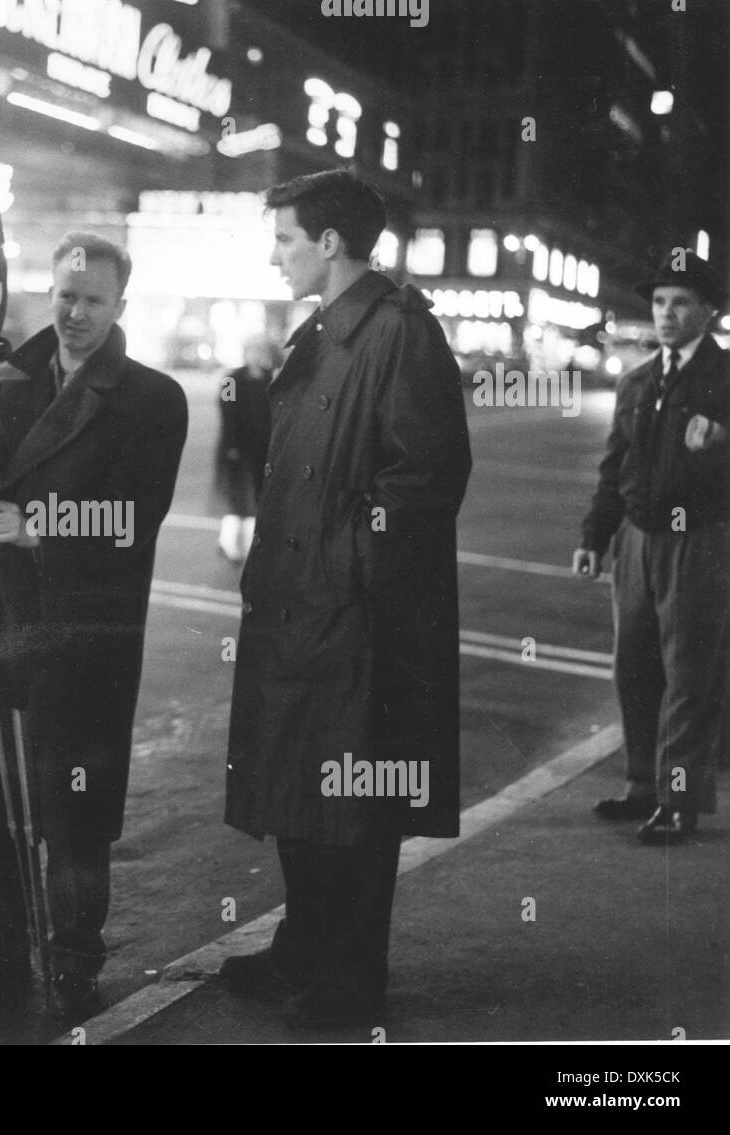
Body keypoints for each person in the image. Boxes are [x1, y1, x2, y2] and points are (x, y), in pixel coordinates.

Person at [218, 170, 472, 1026]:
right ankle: (304, 950)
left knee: (355, 804)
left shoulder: (399, 332)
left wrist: (349, 562)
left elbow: (427, 474)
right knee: (301, 791)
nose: (275, 253)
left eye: (286, 237)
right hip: (298, 607)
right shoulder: (322, 329)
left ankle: (349, 980)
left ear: (330, 243)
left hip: (354, 618)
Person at [0, 231, 188, 1018]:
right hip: (5, 615)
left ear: (120, 305)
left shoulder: (151, 397)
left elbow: (138, 516)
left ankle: (74, 954)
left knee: (71, 811)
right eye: (65, 296)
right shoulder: (7, 381)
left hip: (86, 633)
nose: (74, 314)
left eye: (92, 301)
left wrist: (41, 523)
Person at [575, 252, 728, 844]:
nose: (667, 313)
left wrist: (723, 441)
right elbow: (615, 465)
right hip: (636, 539)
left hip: (700, 539)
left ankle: (680, 799)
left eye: (681, 302)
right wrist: (594, 536)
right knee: (634, 667)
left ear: (709, 311)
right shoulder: (638, 380)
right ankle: (643, 784)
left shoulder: (726, 376)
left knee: (690, 672)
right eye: (661, 301)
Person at [214, 337, 278, 563]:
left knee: (257, 494)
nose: (259, 356)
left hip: (262, 447)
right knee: (237, 495)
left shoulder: (270, 379)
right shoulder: (232, 380)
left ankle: (247, 542)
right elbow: (226, 410)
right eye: (254, 351)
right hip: (237, 447)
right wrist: (231, 443)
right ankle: (230, 542)